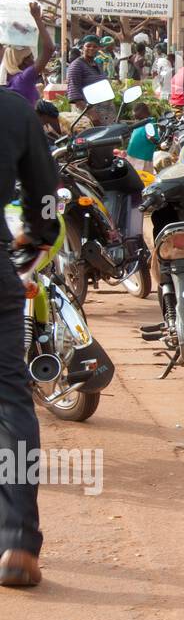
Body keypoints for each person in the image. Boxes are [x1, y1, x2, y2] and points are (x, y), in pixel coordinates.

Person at [0, 90, 59, 586]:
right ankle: (18, 543)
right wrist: (35, 235)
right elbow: (43, 198)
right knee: (10, 401)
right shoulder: (14, 109)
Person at [0, 3, 54, 107]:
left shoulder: (8, 80)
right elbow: (49, 48)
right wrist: (37, 19)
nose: (34, 60)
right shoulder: (24, 78)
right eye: (31, 57)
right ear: (23, 60)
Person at [65, 34, 107, 107]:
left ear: (98, 49)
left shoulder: (97, 64)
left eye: (95, 46)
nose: (91, 48)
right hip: (86, 111)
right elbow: (74, 94)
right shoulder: (76, 66)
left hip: (101, 109)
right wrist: (90, 113)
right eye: (88, 46)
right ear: (82, 47)